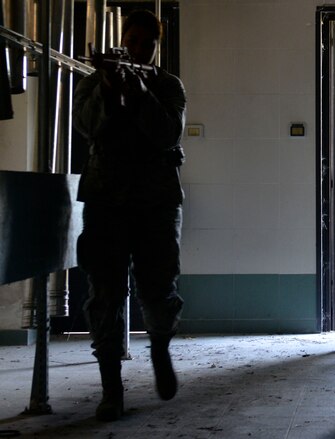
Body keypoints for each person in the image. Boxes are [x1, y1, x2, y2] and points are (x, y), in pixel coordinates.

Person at [73, 9, 187, 421]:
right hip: (106, 201)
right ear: (123, 41)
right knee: (103, 294)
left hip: (156, 203)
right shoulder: (92, 84)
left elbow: (168, 132)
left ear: (158, 46)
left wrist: (140, 94)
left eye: (147, 43)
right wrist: (107, 87)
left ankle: (159, 346)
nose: (139, 49)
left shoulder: (168, 86)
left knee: (159, 287)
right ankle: (111, 388)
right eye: (133, 41)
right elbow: (86, 127)